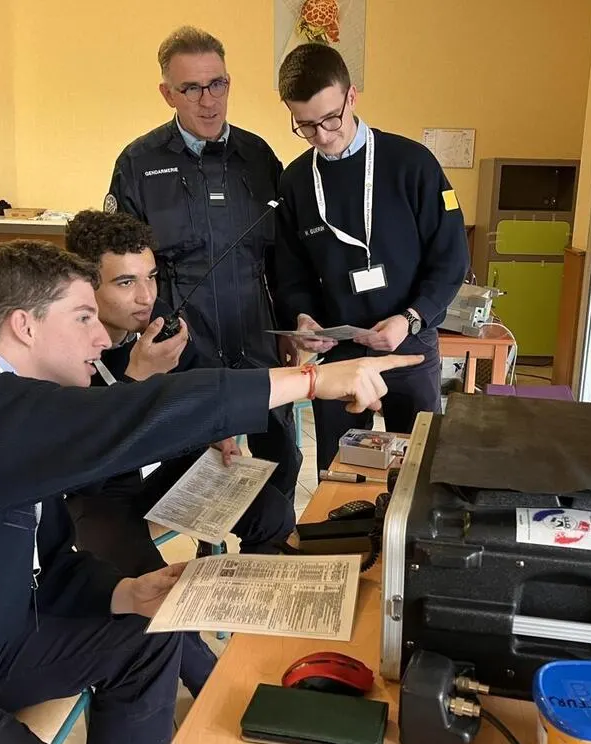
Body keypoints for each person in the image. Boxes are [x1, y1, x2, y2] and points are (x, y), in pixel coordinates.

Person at [0, 239, 421, 744]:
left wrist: (123, 593)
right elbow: (122, 419)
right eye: (84, 317)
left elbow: (47, 569)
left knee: (148, 633)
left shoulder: (23, 424)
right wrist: (311, 382)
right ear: (24, 326)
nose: (103, 336)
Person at [63, 209, 297, 696]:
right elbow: (80, 463)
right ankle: (216, 696)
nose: (146, 296)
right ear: (86, 287)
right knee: (159, 590)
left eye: (150, 277)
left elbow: (207, 381)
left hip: (164, 474)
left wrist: (219, 426)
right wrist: (138, 378)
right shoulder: (61, 345)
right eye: (125, 282)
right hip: (95, 495)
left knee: (272, 512)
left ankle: (256, 644)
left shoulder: (160, 323)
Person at [105, 25, 302, 504]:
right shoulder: (139, 163)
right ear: (167, 94)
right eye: (191, 88)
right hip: (184, 350)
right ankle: (200, 568)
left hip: (257, 343)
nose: (208, 100)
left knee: (281, 467)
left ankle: (268, 553)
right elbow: (121, 268)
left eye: (218, 84)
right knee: (196, 481)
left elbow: (284, 258)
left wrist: (293, 324)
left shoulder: (258, 158)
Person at [273, 43, 470, 476]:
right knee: (338, 474)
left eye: (330, 119)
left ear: (351, 96)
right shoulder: (296, 181)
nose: (322, 136)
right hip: (339, 354)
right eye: (305, 126)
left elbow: (451, 258)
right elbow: (289, 272)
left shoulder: (411, 164)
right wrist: (303, 318)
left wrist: (411, 318)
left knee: (417, 470)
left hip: (409, 345)